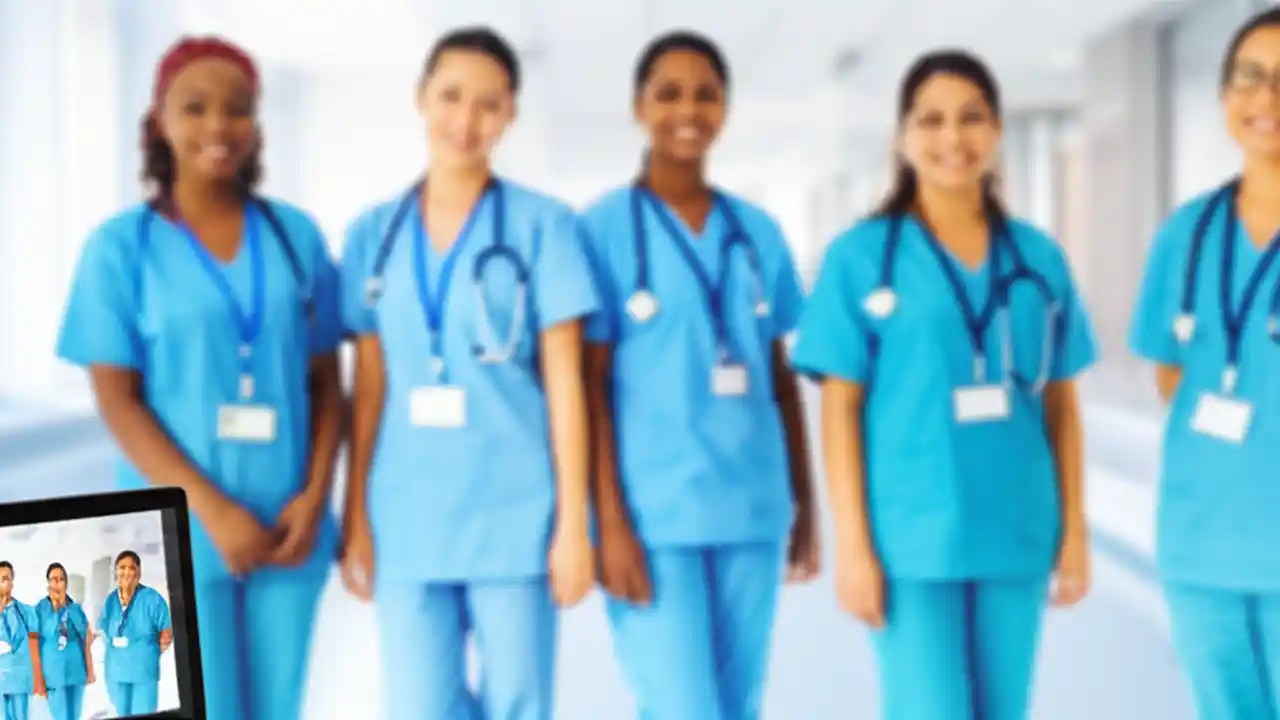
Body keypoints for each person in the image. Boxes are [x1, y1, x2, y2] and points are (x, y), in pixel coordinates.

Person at [791, 50, 1096, 719]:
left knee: (1003, 710)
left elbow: (1061, 406)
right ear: (903, 137)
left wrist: (1074, 529)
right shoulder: (861, 257)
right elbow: (839, 410)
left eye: (971, 118)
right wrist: (855, 547)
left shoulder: (1039, 259)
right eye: (930, 120)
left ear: (996, 131)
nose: (952, 138)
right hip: (910, 538)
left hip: (1015, 528)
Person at [54, 36, 344, 720]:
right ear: (158, 121)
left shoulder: (296, 238)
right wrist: (211, 511)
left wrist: (315, 496)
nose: (219, 125)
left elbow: (328, 383)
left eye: (238, 109)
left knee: (278, 708)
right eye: (195, 107)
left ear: (257, 124)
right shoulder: (120, 248)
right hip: (180, 525)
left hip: (288, 529)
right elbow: (118, 401)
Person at [338, 26, 597, 720]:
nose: (466, 120)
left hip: (516, 512)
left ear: (510, 114)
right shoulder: (374, 233)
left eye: (488, 103)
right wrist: (355, 512)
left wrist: (575, 525)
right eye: (451, 96)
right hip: (407, 513)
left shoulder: (545, 227)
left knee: (520, 704)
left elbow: (567, 385)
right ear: (421, 98)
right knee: (422, 707)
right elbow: (367, 390)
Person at [580, 31, 818, 719]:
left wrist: (804, 503)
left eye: (707, 94)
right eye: (669, 93)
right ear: (637, 107)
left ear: (726, 109)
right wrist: (609, 524)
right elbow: (588, 388)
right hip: (653, 515)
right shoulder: (601, 231)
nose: (689, 109)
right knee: (684, 706)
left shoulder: (757, 233)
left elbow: (778, 378)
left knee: (738, 705)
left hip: (752, 507)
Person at [1129, 9, 1280, 717]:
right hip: (1201, 548)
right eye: (1250, 79)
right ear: (1224, 97)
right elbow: (1170, 374)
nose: (1267, 100)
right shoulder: (1186, 233)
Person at [98, 551, 173, 716]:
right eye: (121, 568)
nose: (126, 572)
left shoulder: (152, 599)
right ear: (115, 572)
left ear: (138, 573)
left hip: (143, 673)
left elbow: (166, 632)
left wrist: (148, 653)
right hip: (116, 673)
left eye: (131, 568)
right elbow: (103, 630)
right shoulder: (110, 601)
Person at [33, 565, 92, 720]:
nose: (57, 583)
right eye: (53, 579)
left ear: (66, 584)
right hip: (53, 675)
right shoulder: (40, 609)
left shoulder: (75, 608)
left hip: (76, 672)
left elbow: (85, 635)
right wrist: (56, 608)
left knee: (75, 716)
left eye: (61, 579)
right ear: (48, 584)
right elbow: (40, 638)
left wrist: (90, 669)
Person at [0, 563, 40, 720]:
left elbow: (34, 645)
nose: (2, 582)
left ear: (12, 582)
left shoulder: (26, 612)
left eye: (5, 578)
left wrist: (38, 677)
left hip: (19, 678)